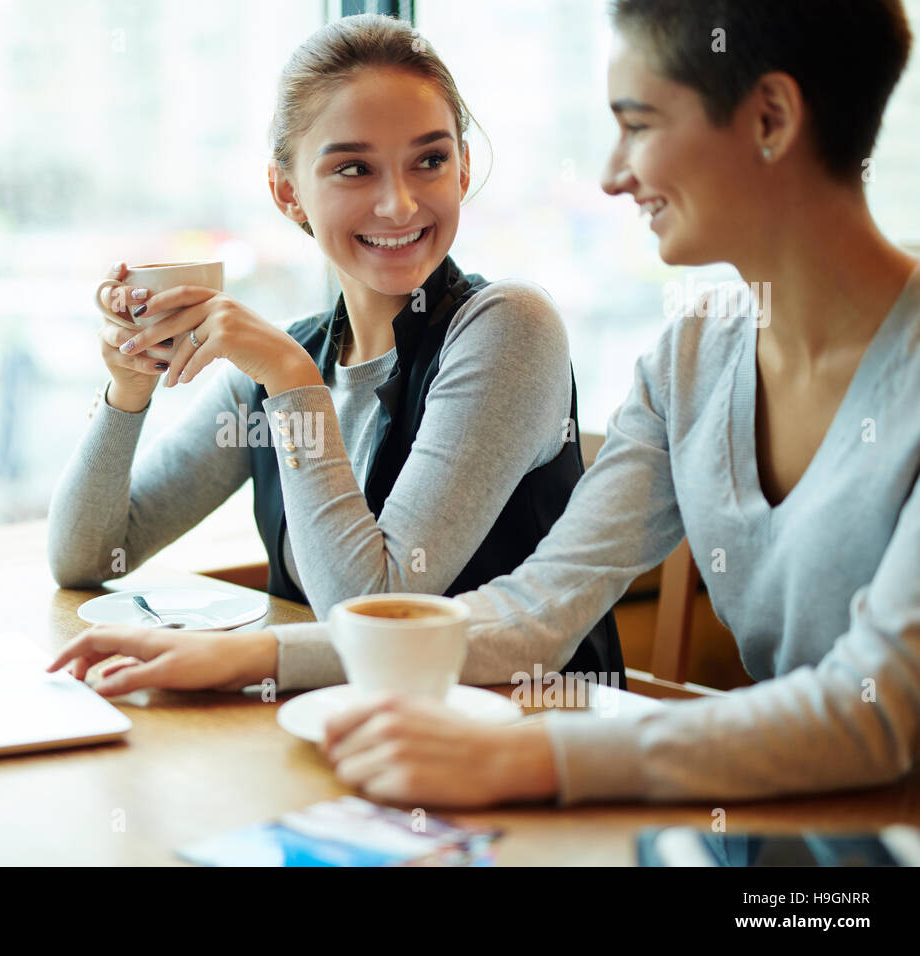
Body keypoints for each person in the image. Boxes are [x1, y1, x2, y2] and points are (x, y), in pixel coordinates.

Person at [54, 0, 920, 809]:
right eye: (353, 166)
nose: (613, 175)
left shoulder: (512, 328)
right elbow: (536, 612)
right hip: (798, 819)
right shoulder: (690, 358)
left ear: (770, 119)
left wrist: (527, 759)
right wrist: (255, 653)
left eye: (638, 125)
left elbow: (877, 714)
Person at [47, 13, 621, 689]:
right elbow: (88, 557)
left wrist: (293, 385)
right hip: (356, 727)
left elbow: (372, 608)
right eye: (354, 168)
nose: (399, 204)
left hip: (525, 741)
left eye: (429, 161)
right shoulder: (287, 362)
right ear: (287, 192)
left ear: (463, 170)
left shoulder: (508, 328)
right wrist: (127, 391)